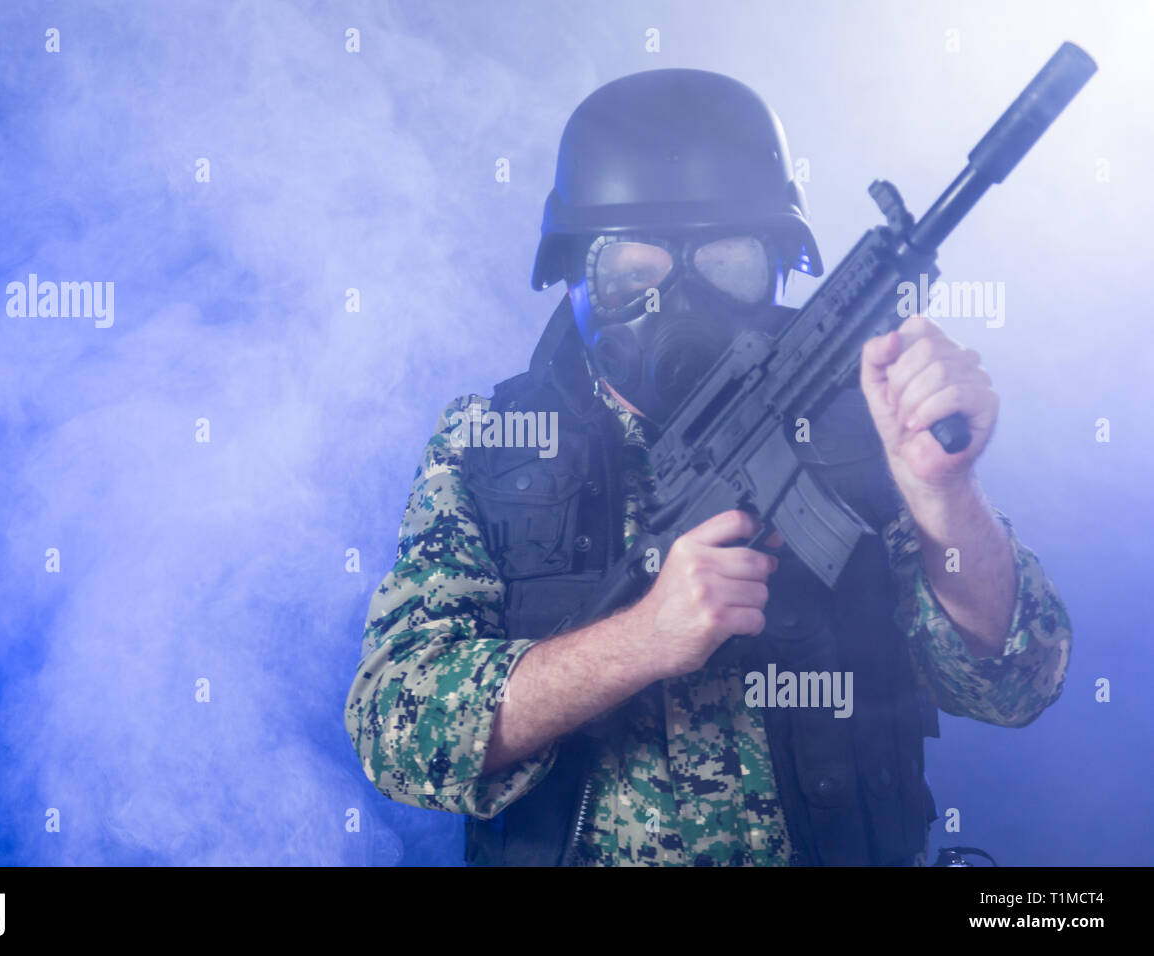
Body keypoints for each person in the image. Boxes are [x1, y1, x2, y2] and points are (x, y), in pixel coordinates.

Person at [345, 69, 1071, 866]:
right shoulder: (490, 441)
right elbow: (396, 735)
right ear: (572, 278)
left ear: (778, 269)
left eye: (728, 264)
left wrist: (946, 494)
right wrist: (639, 641)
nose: (678, 305)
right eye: (632, 273)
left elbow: (1013, 687)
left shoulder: (866, 424)